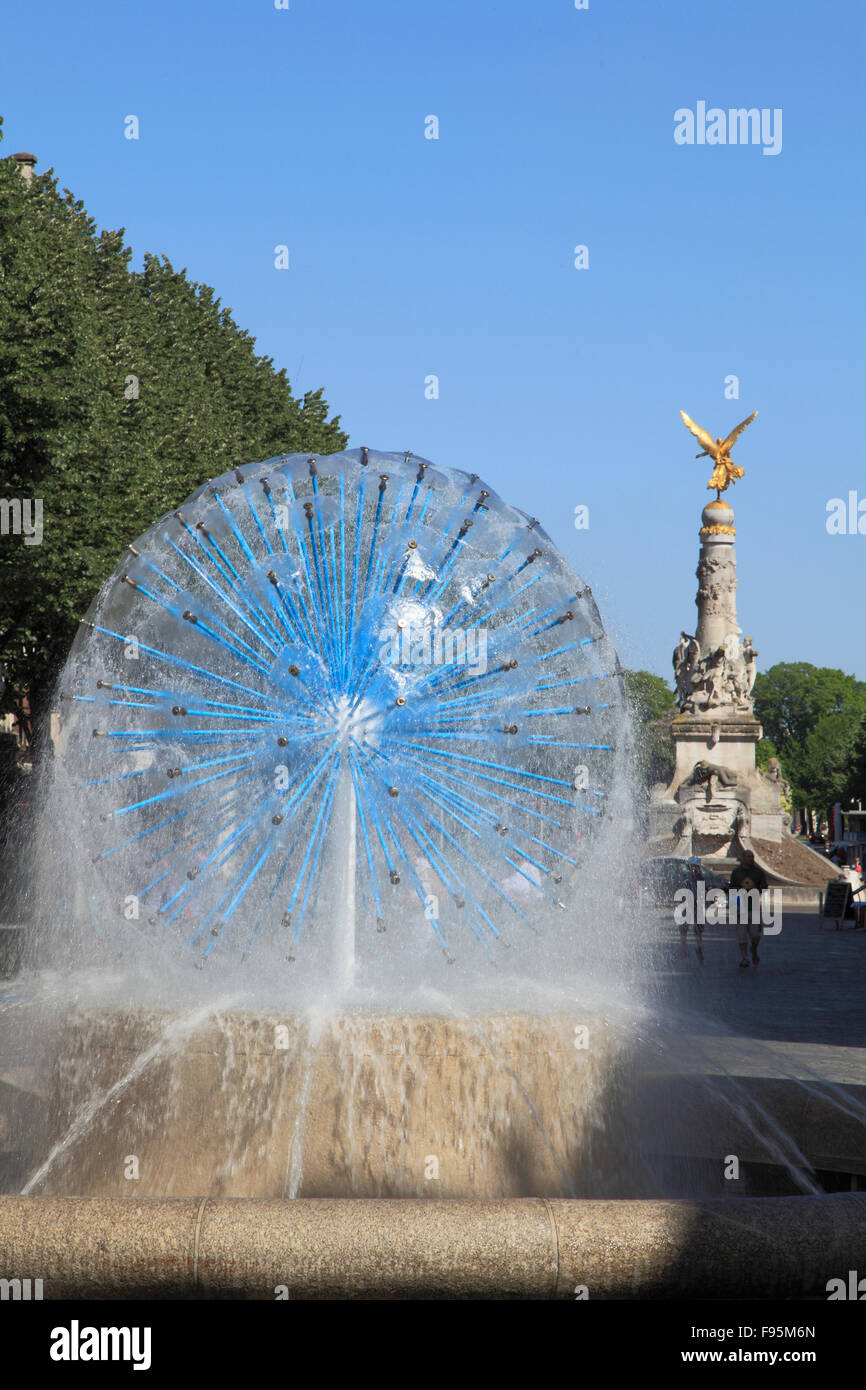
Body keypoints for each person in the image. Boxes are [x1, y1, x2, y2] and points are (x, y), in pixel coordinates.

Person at [729, 848, 769, 968]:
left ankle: (754, 949)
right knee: (741, 936)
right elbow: (732, 889)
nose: (751, 859)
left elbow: (764, 887)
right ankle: (744, 958)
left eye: (752, 857)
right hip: (741, 908)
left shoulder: (758, 872)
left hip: (754, 908)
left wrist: (755, 891)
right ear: (742, 858)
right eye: (748, 856)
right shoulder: (736, 873)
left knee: (755, 935)